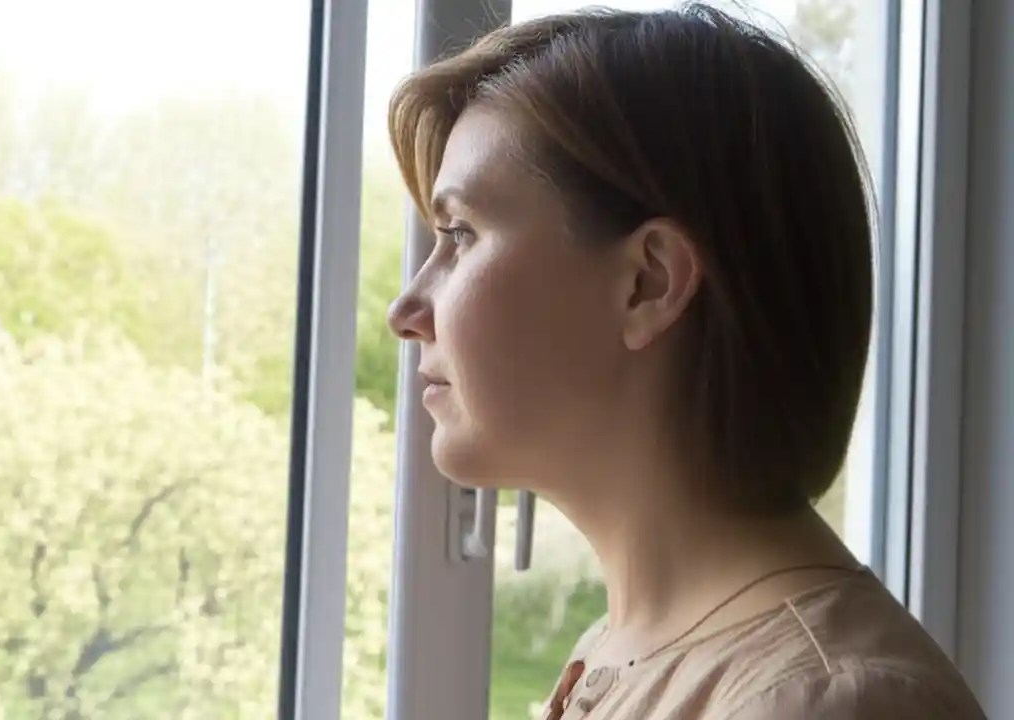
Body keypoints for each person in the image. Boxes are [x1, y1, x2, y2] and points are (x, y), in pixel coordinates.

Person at [385, 4, 987, 719]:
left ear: (650, 283)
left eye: (459, 235)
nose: (406, 312)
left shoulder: (828, 703)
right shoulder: (625, 652)